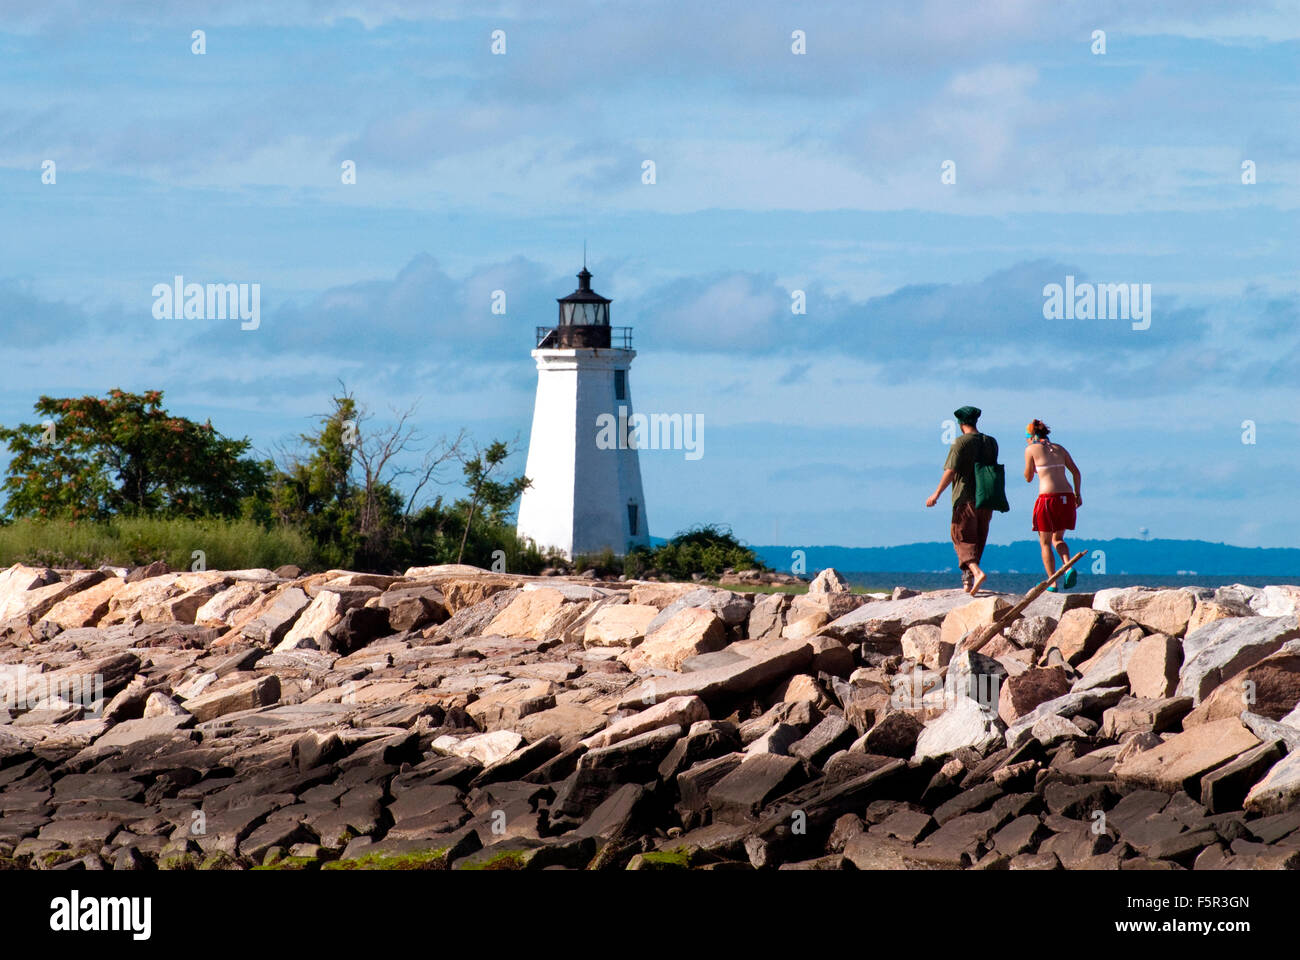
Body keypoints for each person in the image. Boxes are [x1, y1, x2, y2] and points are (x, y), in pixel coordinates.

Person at [926, 405, 997, 595]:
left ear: (960, 423)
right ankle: (967, 582)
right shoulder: (991, 442)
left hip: (965, 497)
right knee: (978, 539)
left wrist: (936, 494)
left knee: (961, 537)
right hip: (987, 498)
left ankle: (976, 572)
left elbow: (951, 471)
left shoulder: (961, 443)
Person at [1023, 419, 1082, 590]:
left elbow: (1028, 478)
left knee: (1045, 542)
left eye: (1027, 437)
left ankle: (1052, 582)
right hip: (1067, 496)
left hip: (1048, 497)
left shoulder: (1031, 449)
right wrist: (1078, 494)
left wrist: (1033, 467)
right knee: (1059, 538)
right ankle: (1068, 567)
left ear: (1032, 436)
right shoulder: (1059, 448)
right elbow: (1076, 472)